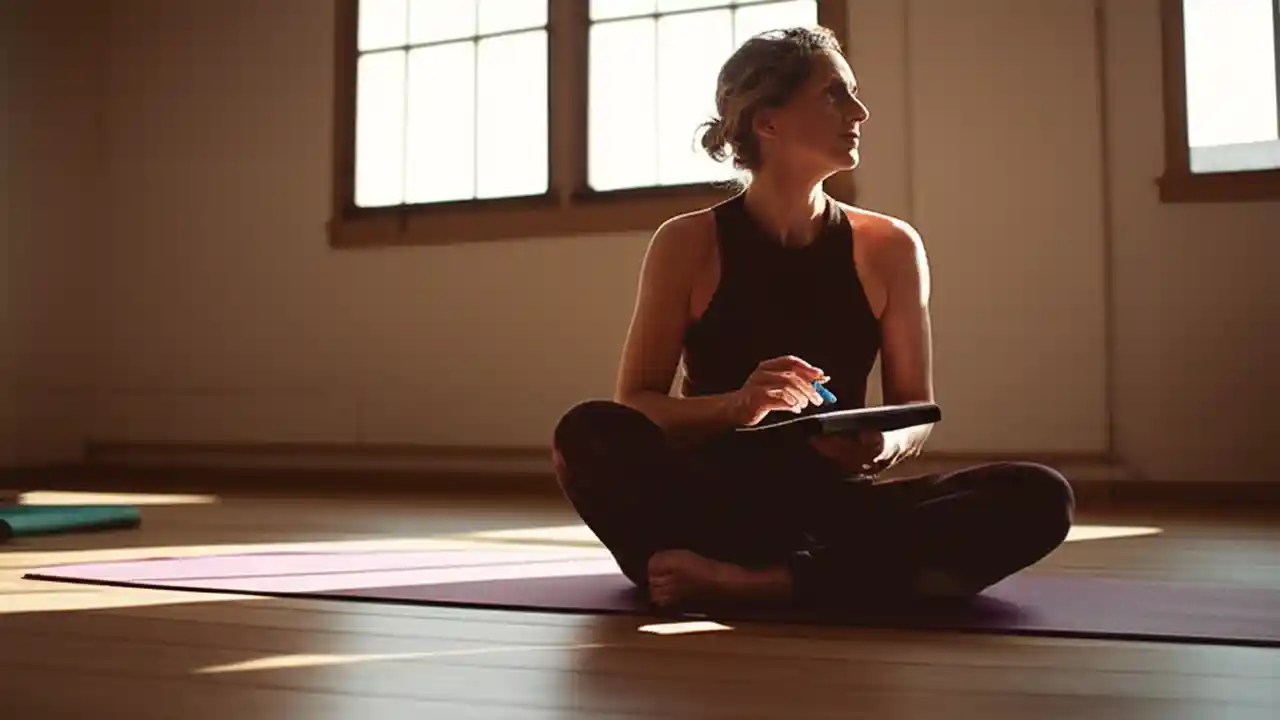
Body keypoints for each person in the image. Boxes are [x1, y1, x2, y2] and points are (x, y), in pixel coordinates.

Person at [551, 26, 1073, 610]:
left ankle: (757, 583)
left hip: (830, 511)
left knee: (1037, 495)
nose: (860, 111)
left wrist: (883, 445)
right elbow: (638, 407)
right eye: (833, 94)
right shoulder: (687, 243)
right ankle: (836, 579)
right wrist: (737, 407)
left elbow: (915, 409)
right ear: (766, 122)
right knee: (586, 433)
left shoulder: (892, 247)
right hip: (712, 502)